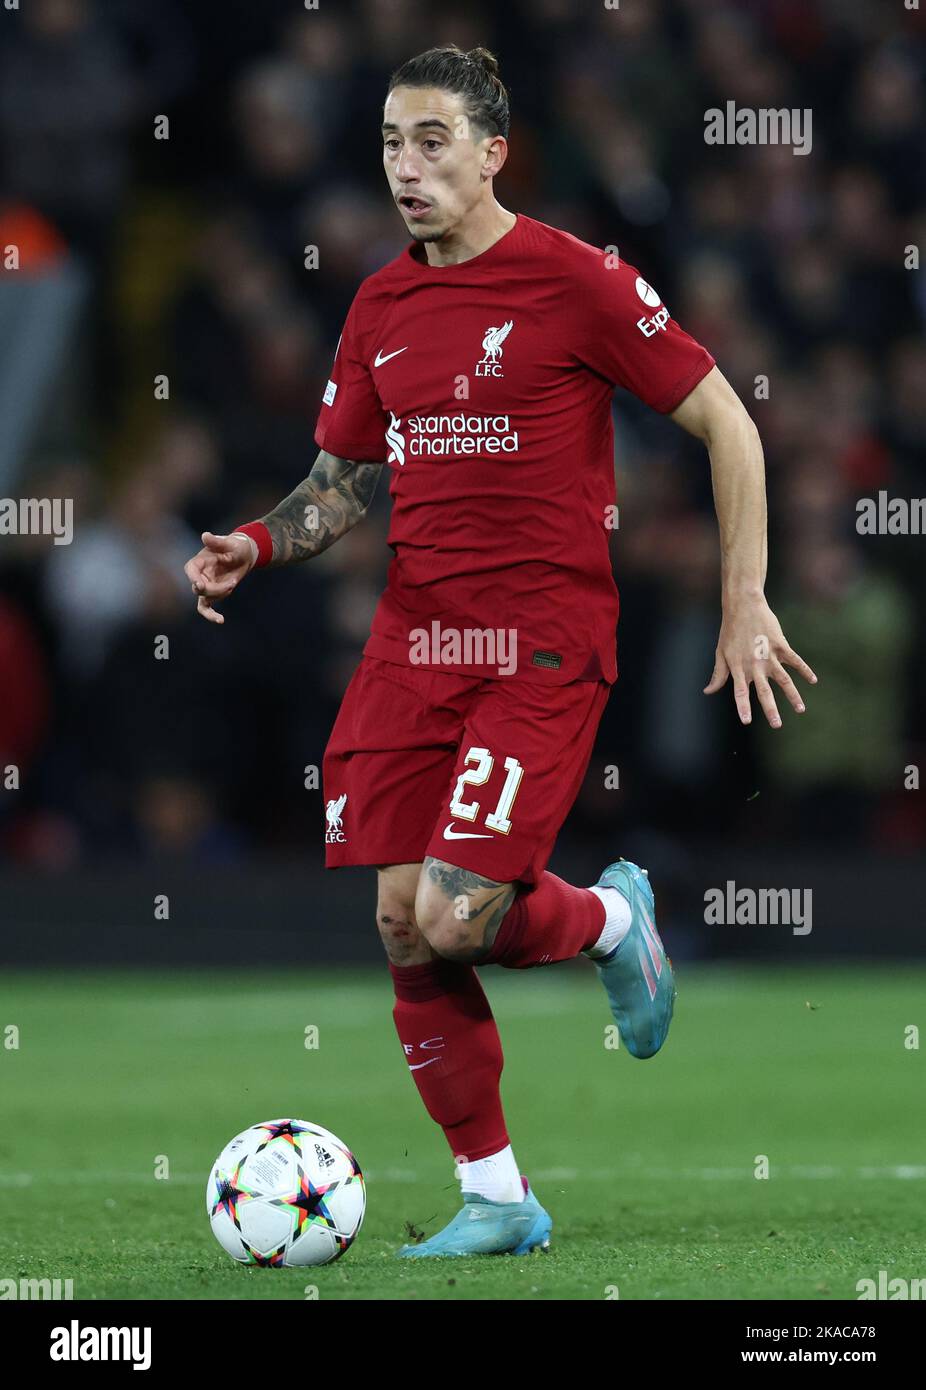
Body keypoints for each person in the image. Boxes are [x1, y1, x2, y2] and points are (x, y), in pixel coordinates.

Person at [184, 45, 816, 1259]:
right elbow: (343, 480)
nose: (404, 168)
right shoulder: (379, 304)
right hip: (412, 642)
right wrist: (261, 544)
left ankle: (609, 924)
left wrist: (743, 599)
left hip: (540, 645)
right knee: (402, 922)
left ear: (491, 153)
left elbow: (726, 420)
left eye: (429, 142)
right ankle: (495, 1197)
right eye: (386, 142)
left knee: (459, 913)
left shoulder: (579, 281)